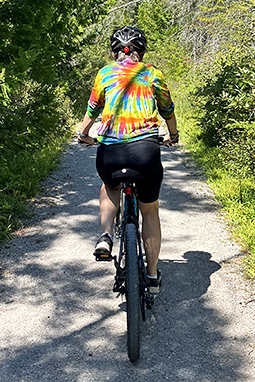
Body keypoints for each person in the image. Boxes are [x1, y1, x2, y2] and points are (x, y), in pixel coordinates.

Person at [77, 25, 179, 293]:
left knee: (110, 185)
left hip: (111, 153)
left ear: (114, 52)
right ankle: (153, 276)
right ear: (141, 51)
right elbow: (167, 109)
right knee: (149, 210)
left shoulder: (105, 73)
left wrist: (84, 133)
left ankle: (106, 235)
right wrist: (173, 134)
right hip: (145, 152)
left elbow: (93, 108)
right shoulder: (152, 74)